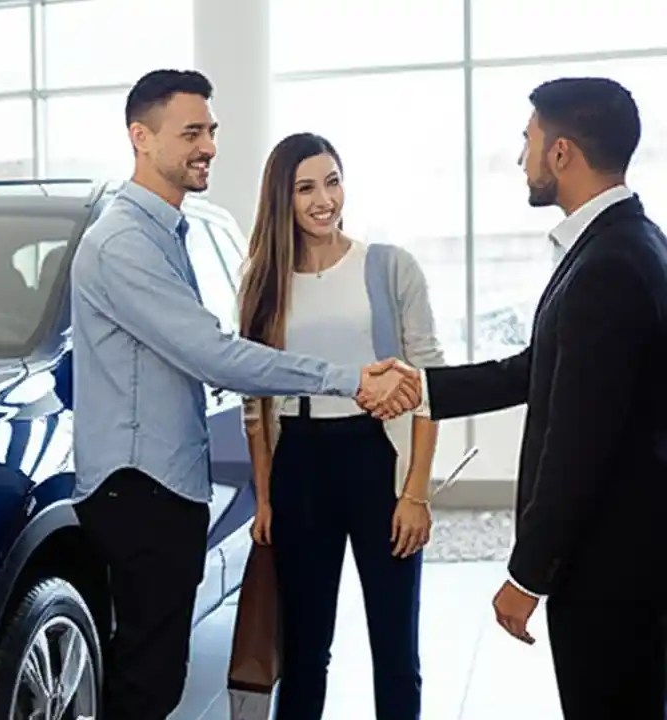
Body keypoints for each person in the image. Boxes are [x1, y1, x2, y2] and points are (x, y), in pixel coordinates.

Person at [68, 69, 421, 720]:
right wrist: (347, 378)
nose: (207, 146)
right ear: (140, 138)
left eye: (211, 130)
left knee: (153, 669)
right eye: (190, 132)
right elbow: (212, 354)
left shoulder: (161, 234)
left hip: (165, 484)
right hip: (141, 488)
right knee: (147, 678)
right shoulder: (125, 243)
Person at [403, 77, 667, 717]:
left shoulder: (607, 265)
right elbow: (538, 369)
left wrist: (527, 575)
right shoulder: (629, 242)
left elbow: (576, 446)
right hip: (628, 560)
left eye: (528, 142)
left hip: (612, 569)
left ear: (561, 153)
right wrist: (422, 388)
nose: (522, 157)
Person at [238, 133, 445, 720]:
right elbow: (257, 405)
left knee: (395, 648)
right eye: (306, 188)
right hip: (299, 462)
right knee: (304, 652)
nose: (323, 199)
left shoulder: (388, 266)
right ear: (283, 198)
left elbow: (430, 388)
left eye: (332, 181)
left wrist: (416, 494)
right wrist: (264, 496)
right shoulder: (261, 280)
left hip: (375, 456)